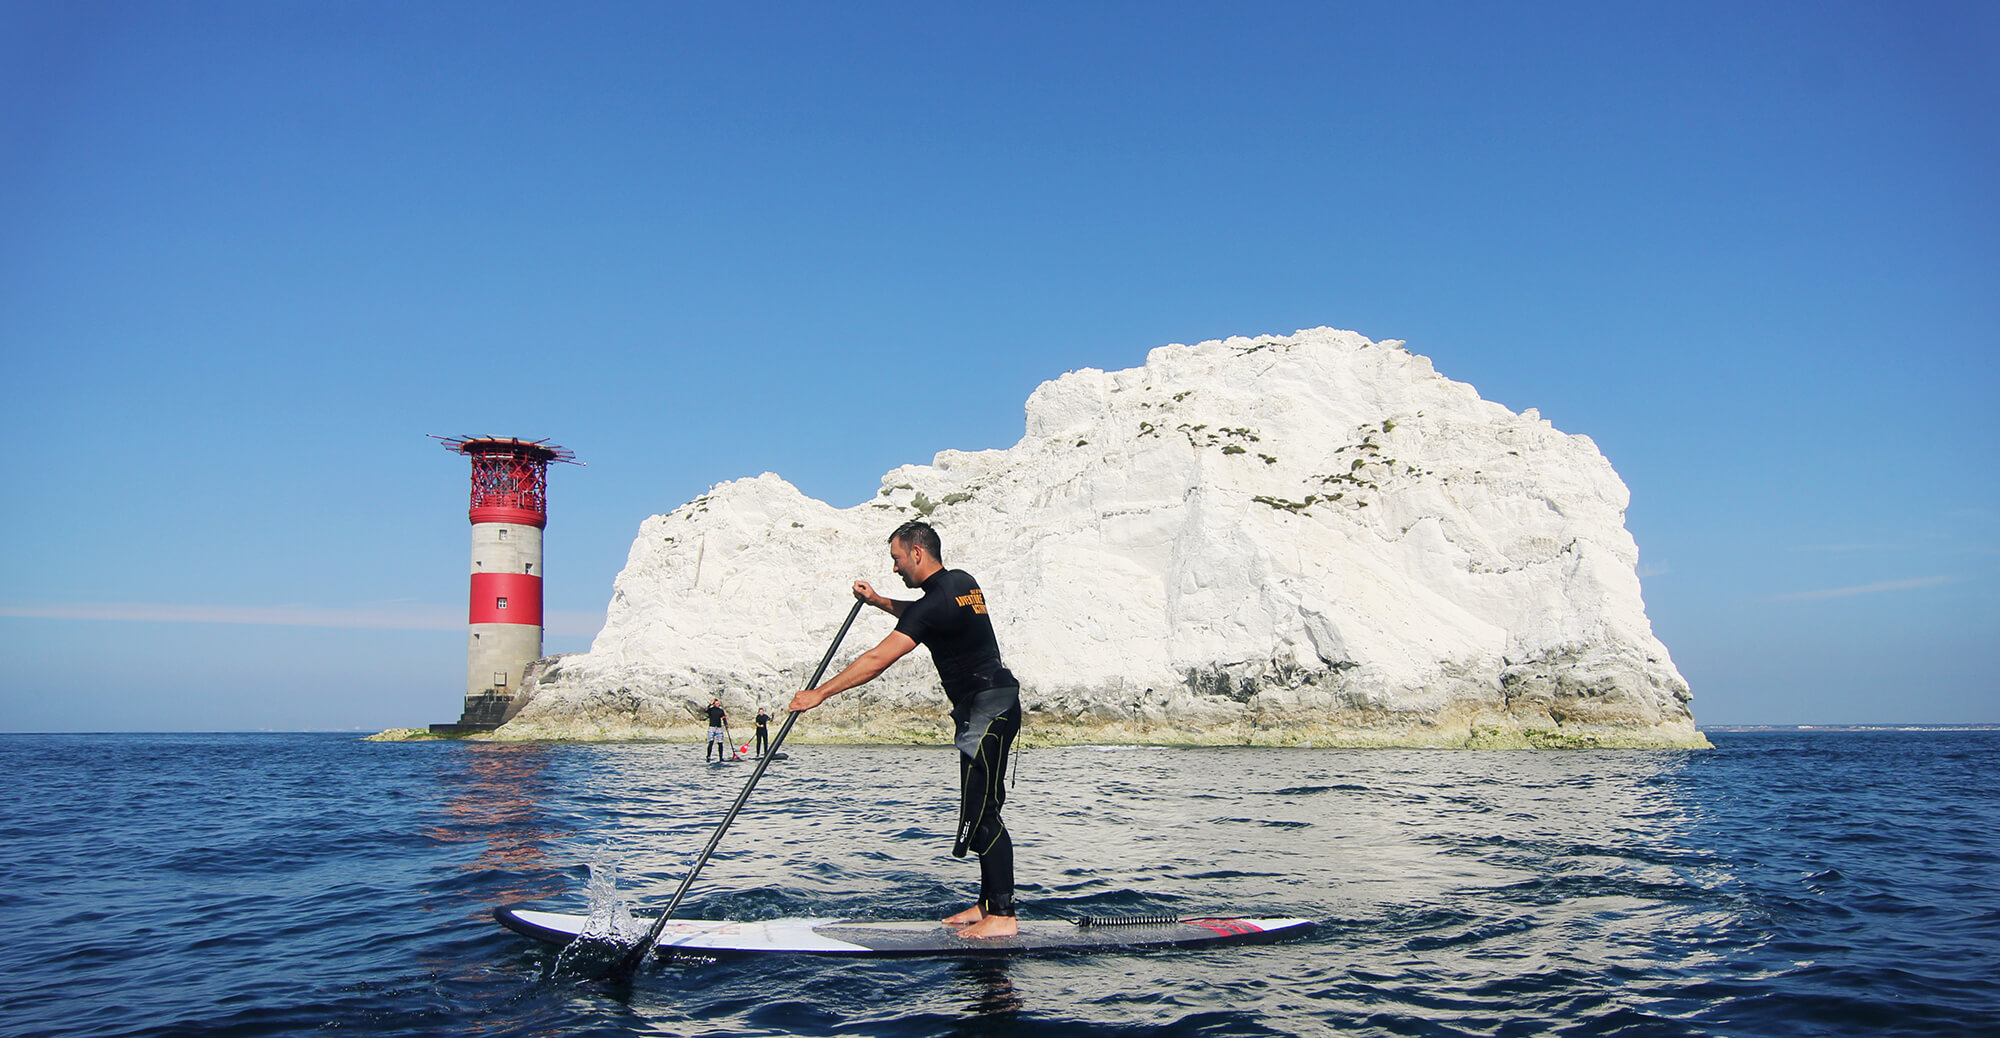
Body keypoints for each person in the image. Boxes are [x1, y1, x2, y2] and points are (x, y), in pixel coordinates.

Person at [788, 520, 1022, 939]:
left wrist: (819, 694)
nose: (895, 568)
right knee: (986, 805)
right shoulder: (961, 584)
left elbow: (878, 659)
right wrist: (878, 601)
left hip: (985, 712)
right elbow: (923, 615)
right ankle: (988, 903)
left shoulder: (932, 606)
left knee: (982, 812)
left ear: (917, 553)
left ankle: (1002, 914)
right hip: (998, 703)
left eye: (896, 559)